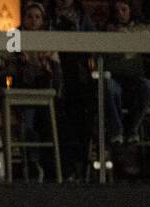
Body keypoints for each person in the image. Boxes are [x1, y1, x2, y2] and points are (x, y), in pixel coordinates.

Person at [10, 2, 61, 180]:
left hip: (44, 90)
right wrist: (20, 61)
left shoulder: (47, 37)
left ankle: (49, 169)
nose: (33, 21)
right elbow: (8, 63)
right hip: (23, 90)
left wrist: (48, 66)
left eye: (37, 17)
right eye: (30, 16)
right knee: (27, 127)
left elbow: (56, 66)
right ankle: (31, 164)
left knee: (49, 126)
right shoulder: (14, 35)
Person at [50, 0, 96, 180]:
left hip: (78, 82)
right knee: (60, 126)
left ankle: (80, 169)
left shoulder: (83, 19)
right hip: (55, 80)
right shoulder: (48, 20)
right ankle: (62, 170)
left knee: (81, 125)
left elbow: (95, 43)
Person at [104, 0, 150, 145]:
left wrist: (129, 34)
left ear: (130, 11)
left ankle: (132, 128)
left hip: (135, 78)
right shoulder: (108, 29)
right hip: (115, 77)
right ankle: (117, 130)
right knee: (108, 86)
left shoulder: (139, 27)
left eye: (124, 10)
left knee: (148, 87)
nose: (120, 14)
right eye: (117, 11)